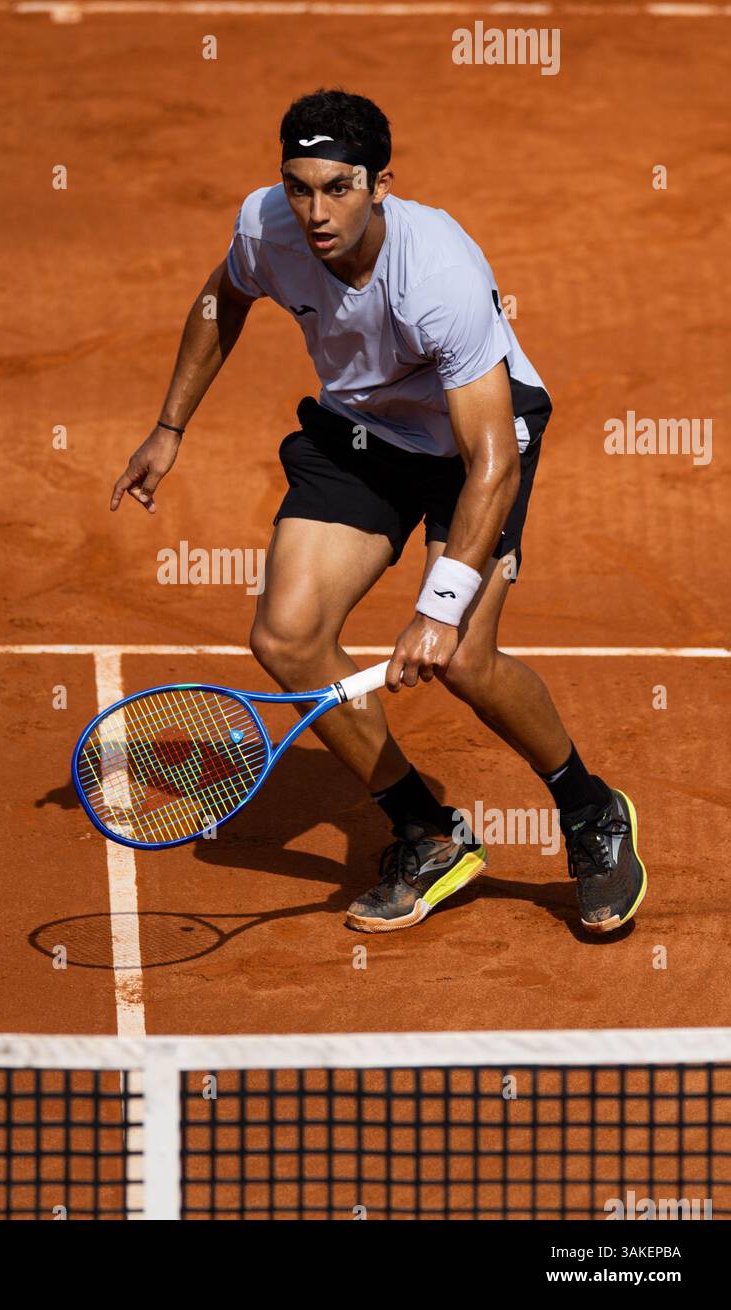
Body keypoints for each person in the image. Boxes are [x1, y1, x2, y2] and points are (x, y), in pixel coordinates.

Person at [110, 87, 645, 937]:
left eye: (337, 187)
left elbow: (494, 461)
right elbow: (224, 299)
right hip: (359, 432)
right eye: (298, 185)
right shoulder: (267, 227)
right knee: (286, 636)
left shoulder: (441, 278)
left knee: (466, 657)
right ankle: (427, 832)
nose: (314, 212)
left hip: (472, 444)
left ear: (380, 183)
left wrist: (435, 613)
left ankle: (589, 811)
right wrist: (168, 426)